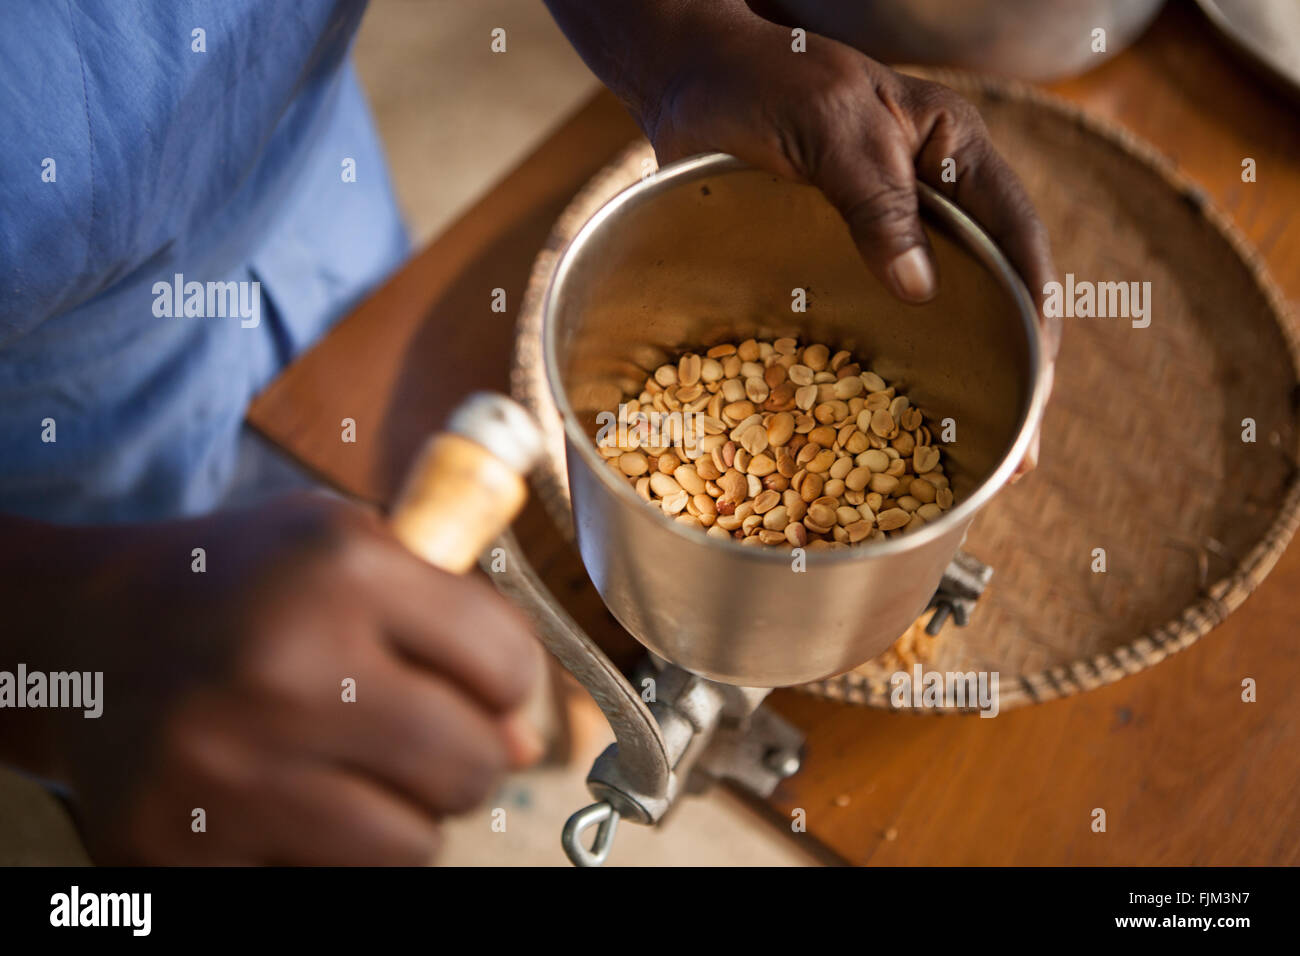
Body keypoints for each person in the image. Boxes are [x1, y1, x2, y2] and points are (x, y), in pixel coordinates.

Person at [0, 0, 1055, 864]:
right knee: (216, 774)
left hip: (296, 182)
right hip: (50, 457)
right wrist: (65, 640)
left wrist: (684, 35)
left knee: (368, 543)